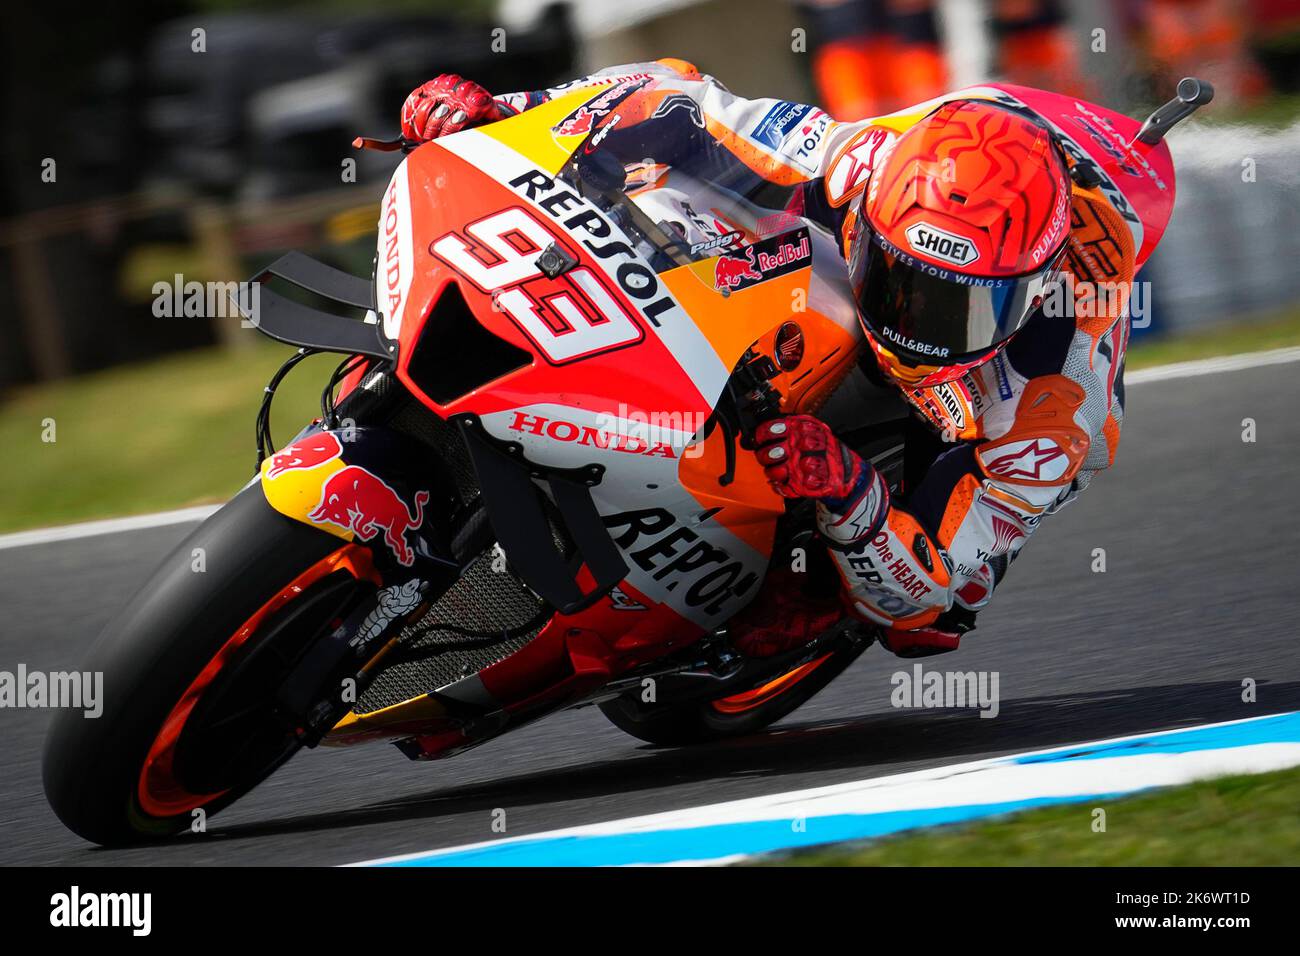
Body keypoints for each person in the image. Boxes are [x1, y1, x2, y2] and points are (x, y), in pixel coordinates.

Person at [397, 59, 1134, 659]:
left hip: (979, 413)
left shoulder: (1063, 397)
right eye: (900, 282)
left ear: (1034, 292)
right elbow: (671, 94)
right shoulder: (857, 163)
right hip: (940, 173)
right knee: (678, 200)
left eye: (963, 308)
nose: (918, 324)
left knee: (923, 628)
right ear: (875, 218)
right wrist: (506, 110)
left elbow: (931, 586)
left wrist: (853, 495)